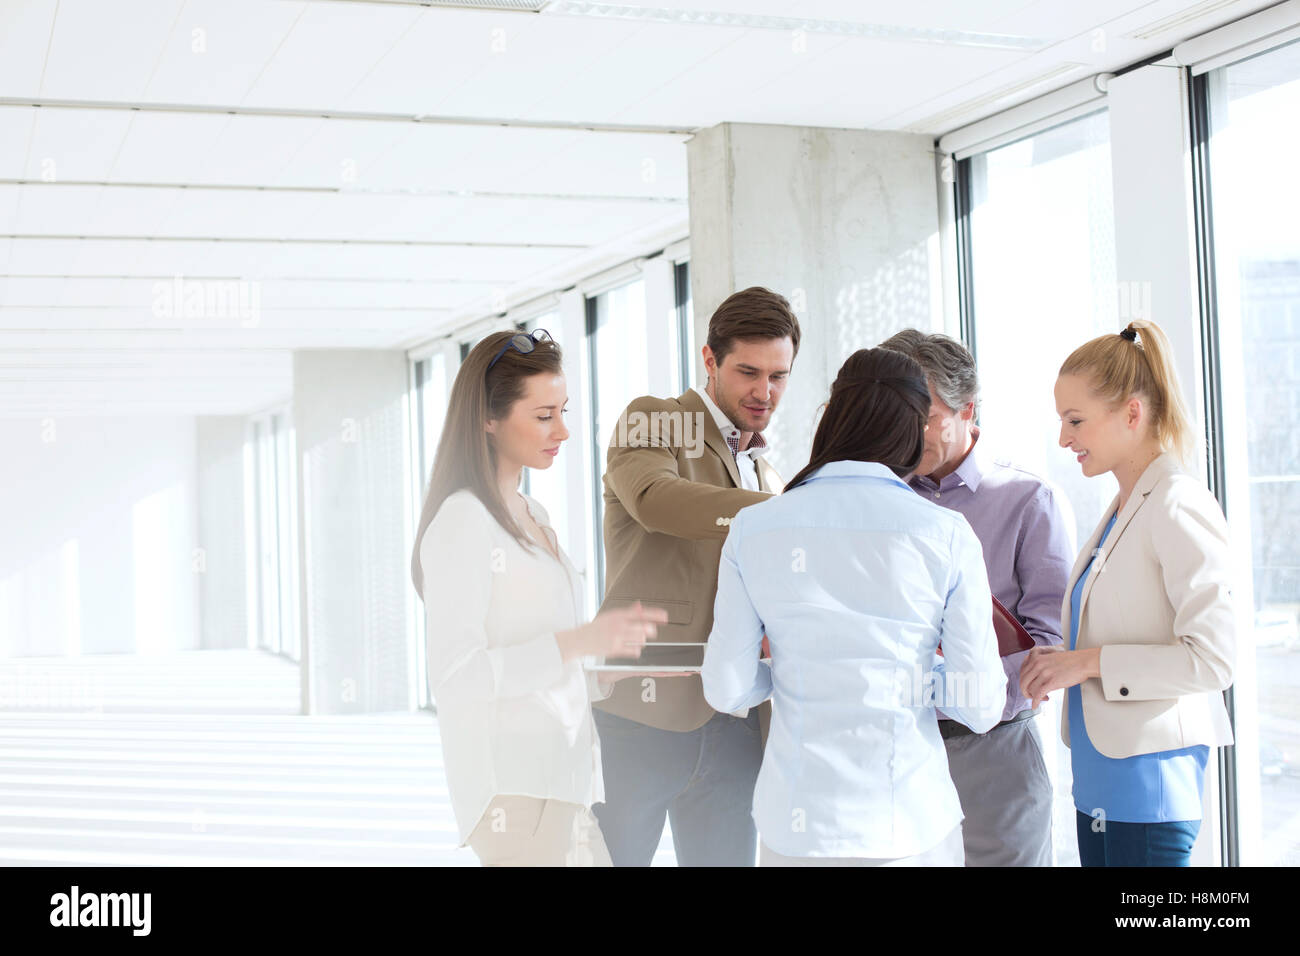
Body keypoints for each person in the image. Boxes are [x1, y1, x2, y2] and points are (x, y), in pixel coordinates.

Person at [702, 346, 1007, 866]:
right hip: (911, 828)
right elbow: (979, 706)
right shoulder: (946, 535)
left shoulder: (754, 530)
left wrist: (794, 672)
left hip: (796, 831)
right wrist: (914, 674)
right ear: (912, 431)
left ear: (834, 418)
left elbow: (726, 687)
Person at [410, 328, 667, 867]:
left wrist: (602, 666)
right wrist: (576, 642)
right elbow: (458, 681)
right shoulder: (463, 521)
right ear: (488, 417)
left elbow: (541, 660)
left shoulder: (535, 516)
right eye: (544, 414)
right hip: (516, 792)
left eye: (564, 410)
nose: (564, 430)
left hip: (564, 782)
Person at [592, 287, 797, 867]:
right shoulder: (658, 421)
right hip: (642, 711)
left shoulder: (767, 469)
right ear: (709, 360)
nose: (764, 392)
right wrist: (780, 513)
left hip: (735, 721)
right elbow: (657, 499)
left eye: (779, 375)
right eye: (748, 372)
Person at [1022, 319, 1236, 867]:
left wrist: (1088, 663)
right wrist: (1064, 661)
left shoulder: (1177, 503)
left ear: (1132, 414)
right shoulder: (1121, 508)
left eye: (1075, 421)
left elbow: (1213, 660)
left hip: (1148, 784)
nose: (1065, 439)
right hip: (1101, 778)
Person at [880, 329, 1074, 867]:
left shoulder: (1029, 500)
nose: (911, 433)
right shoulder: (876, 504)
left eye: (928, 417)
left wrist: (968, 684)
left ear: (969, 409)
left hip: (995, 751)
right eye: (899, 415)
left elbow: (1048, 644)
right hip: (898, 751)